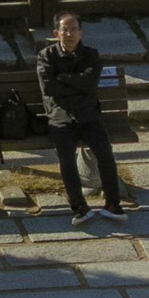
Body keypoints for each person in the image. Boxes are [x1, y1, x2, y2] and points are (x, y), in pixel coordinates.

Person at [34, 11, 130, 218]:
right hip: (60, 116)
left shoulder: (91, 55)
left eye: (74, 29)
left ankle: (113, 204)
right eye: (65, 29)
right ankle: (79, 206)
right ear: (56, 32)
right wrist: (77, 82)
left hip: (87, 114)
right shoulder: (46, 56)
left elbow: (90, 83)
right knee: (66, 157)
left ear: (81, 32)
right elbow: (50, 88)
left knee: (104, 151)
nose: (69, 33)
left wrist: (64, 78)